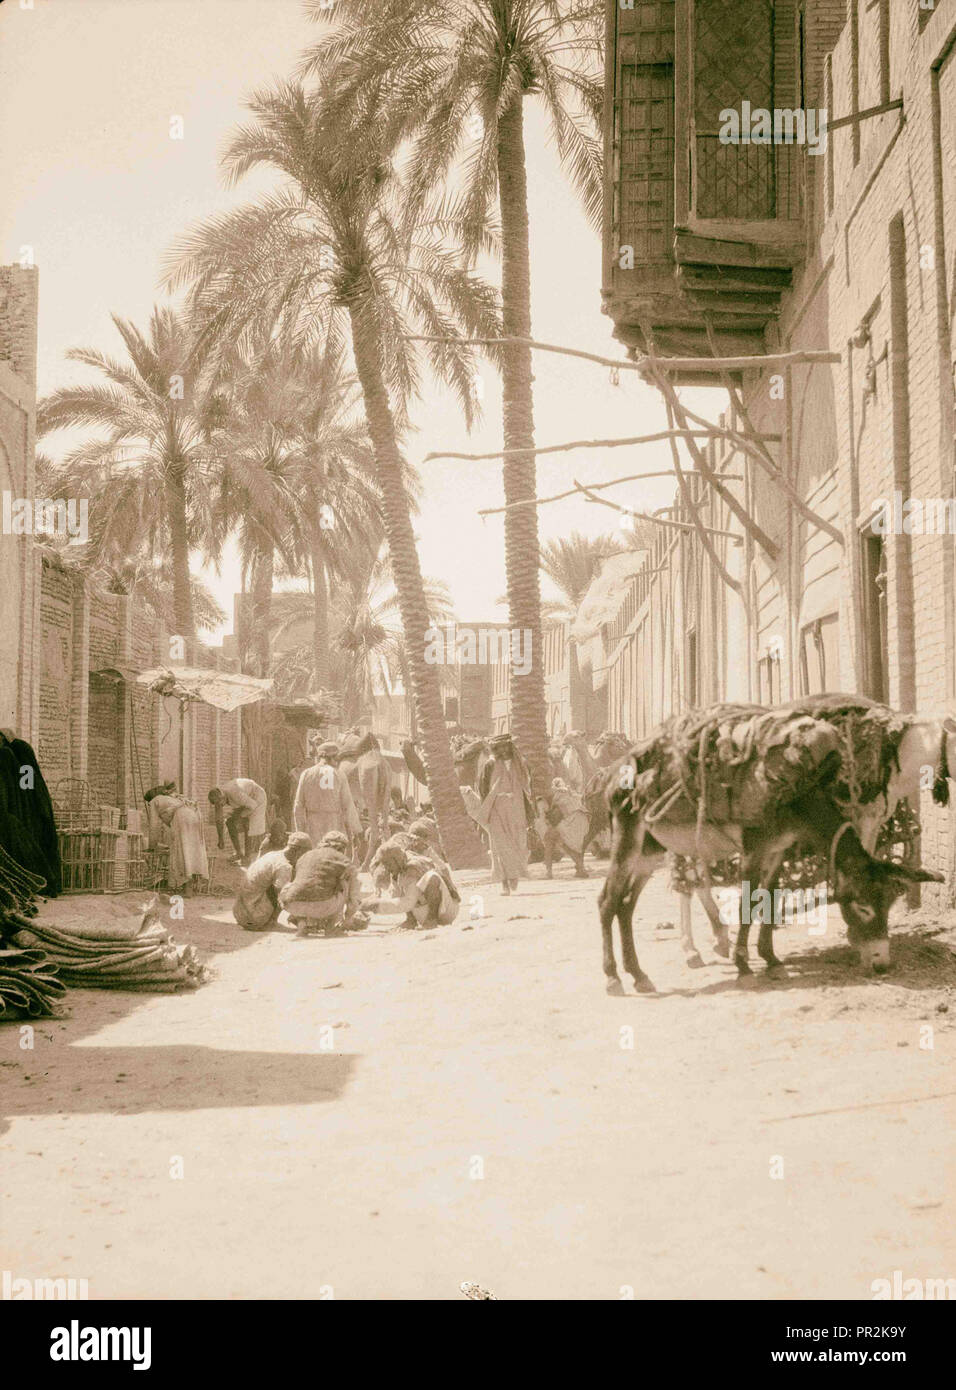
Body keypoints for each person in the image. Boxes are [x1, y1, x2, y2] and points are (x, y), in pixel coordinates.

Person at [279, 830, 368, 937]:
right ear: (342, 848)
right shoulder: (343, 860)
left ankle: (302, 923)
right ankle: (331, 928)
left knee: (299, 885)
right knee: (344, 883)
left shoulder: (306, 855)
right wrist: (348, 917)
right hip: (323, 907)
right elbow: (354, 893)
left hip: (291, 905)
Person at [476, 733, 534, 894]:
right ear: (495, 748)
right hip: (496, 808)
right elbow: (483, 789)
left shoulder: (521, 764)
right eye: (498, 747)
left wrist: (530, 810)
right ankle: (504, 883)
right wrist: (487, 808)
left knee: (517, 844)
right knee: (499, 846)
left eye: (505, 746)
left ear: (510, 746)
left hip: (517, 808)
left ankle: (514, 876)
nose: (502, 750)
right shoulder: (490, 765)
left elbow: (529, 788)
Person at [365, 842, 461, 929]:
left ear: (396, 860)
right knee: (401, 883)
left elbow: (408, 902)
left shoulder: (413, 866)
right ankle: (411, 920)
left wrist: (376, 905)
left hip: (447, 909)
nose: (386, 868)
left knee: (432, 877)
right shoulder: (399, 868)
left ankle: (432, 920)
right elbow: (398, 898)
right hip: (423, 912)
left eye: (388, 864)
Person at [232, 832, 312, 932]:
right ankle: (270, 922)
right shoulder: (284, 866)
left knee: (280, 885)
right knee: (287, 889)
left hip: (240, 914)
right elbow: (285, 897)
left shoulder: (273, 855)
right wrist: (303, 920)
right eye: (305, 854)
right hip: (254, 918)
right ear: (297, 850)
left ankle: (268, 920)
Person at [293, 742, 362, 851]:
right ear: (334, 757)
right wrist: (355, 831)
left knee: (314, 855)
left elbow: (298, 805)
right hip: (333, 823)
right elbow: (348, 805)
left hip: (312, 823)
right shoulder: (339, 774)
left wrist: (300, 831)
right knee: (332, 857)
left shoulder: (306, 774)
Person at [144, 783, 209, 894]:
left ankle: (187, 885)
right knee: (194, 848)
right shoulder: (173, 798)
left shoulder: (154, 801)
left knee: (181, 850)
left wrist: (152, 846)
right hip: (194, 814)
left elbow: (154, 826)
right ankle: (194, 883)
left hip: (182, 816)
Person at [534, 779, 589, 879]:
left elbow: (553, 815)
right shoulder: (568, 793)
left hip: (568, 823)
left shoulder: (555, 796)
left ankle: (548, 873)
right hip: (580, 823)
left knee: (549, 840)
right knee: (566, 845)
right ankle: (581, 869)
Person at [208, 778, 268, 865]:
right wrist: (220, 839)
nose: (220, 806)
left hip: (257, 798)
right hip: (246, 799)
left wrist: (240, 816)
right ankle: (239, 853)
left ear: (222, 797)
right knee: (229, 822)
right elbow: (219, 820)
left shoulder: (235, 793)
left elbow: (252, 805)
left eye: (220, 804)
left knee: (248, 825)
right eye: (217, 805)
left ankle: (247, 858)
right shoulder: (218, 796)